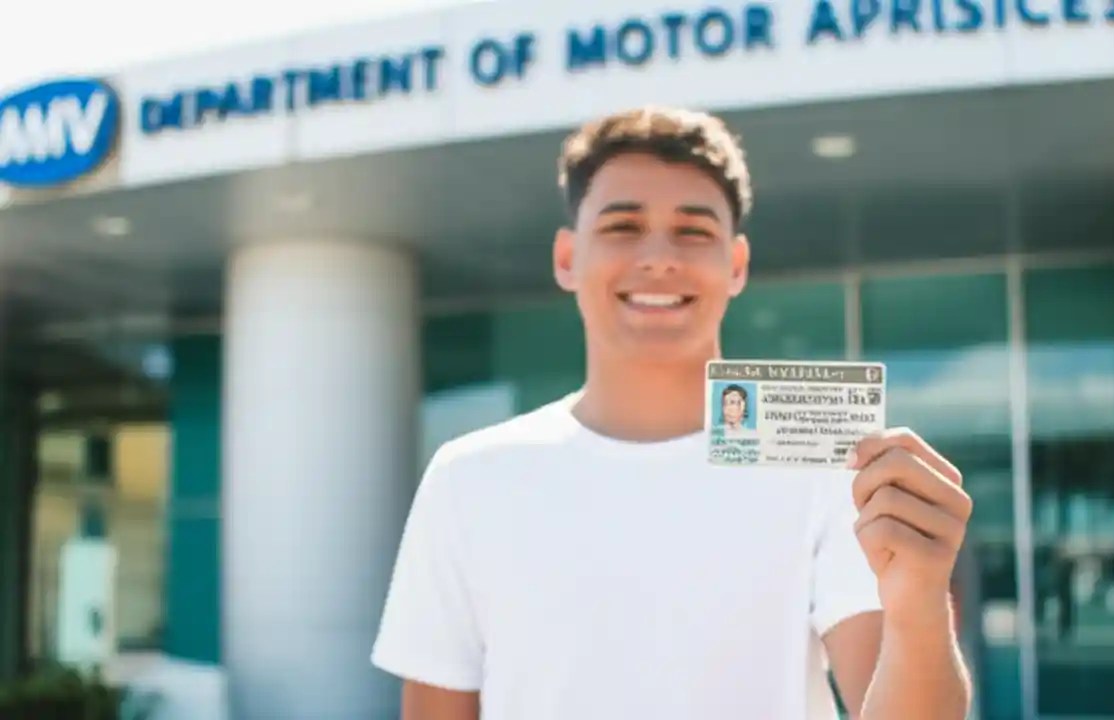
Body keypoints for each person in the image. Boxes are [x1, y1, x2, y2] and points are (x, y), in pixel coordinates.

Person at [371, 106, 974, 720]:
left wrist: (920, 604)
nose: (659, 256)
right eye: (622, 226)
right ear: (566, 258)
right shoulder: (469, 477)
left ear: (736, 264)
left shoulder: (821, 468)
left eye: (693, 230)